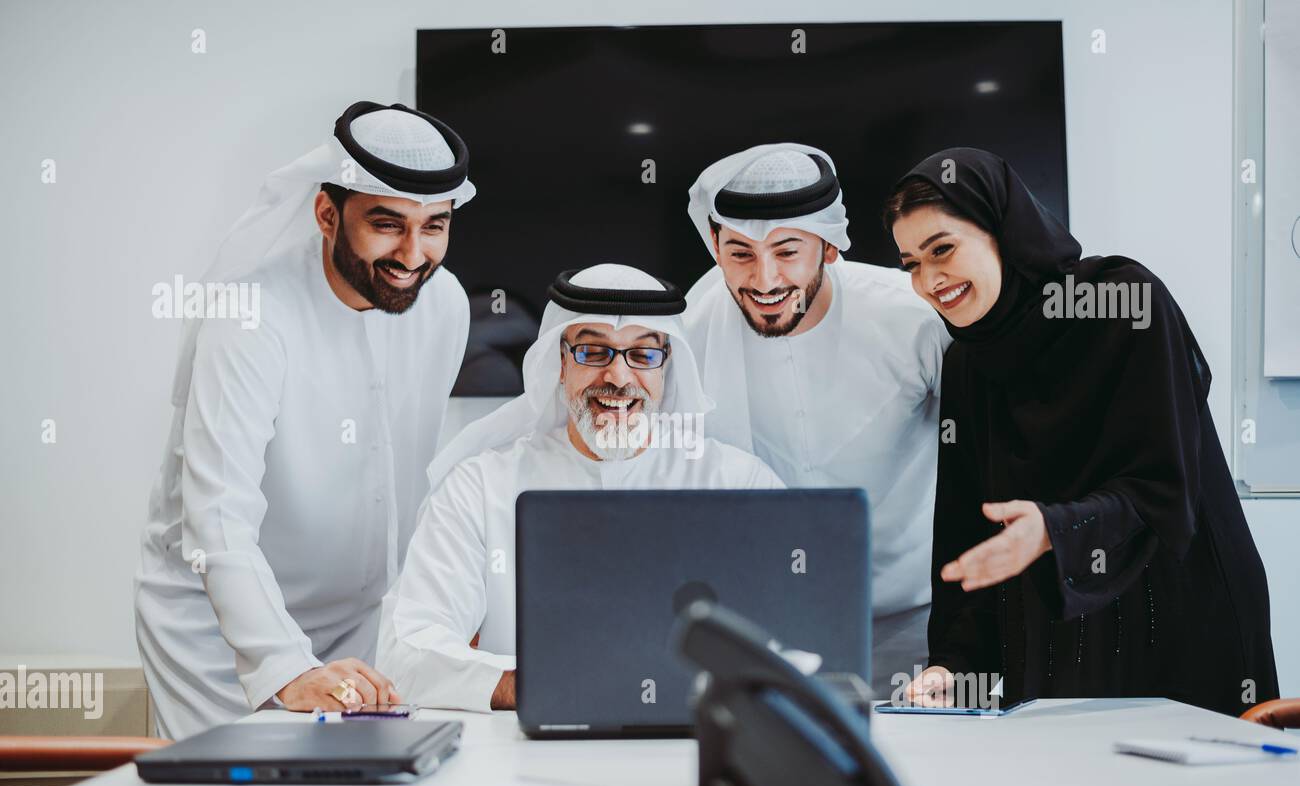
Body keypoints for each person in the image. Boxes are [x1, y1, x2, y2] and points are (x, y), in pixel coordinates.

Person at [887, 147, 1278, 716]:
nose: (928, 280)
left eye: (942, 249)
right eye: (910, 264)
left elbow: (1163, 489)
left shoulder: (1123, 301)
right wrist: (955, 665)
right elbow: (968, 531)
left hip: (1176, 607)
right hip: (1057, 625)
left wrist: (1051, 529)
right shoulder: (968, 361)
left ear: (1002, 231)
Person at [134, 102, 476, 738]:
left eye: (435, 226)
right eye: (387, 224)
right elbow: (217, 518)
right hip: (219, 634)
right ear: (326, 214)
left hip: (362, 623)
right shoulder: (251, 318)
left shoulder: (445, 304)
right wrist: (284, 666)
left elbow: (406, 474)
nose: (413, 253)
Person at [376, 264, 784, 712]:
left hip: (700, 743)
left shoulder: (738, 485)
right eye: (594, 352)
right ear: (560, 362)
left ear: (667, 368)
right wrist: (541, 684)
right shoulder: (479, 488)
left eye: (643, 355)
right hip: (527, 755)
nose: (619, 378)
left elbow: (794, 636)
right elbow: (406, 653)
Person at [683, 144, 949, 688]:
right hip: (762, 625)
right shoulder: (694, 326)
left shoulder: (915, 317)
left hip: (916, 622)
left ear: (828, 247)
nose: (763, 279)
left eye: (787, 251)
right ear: (714, 246)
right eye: (739, 253)